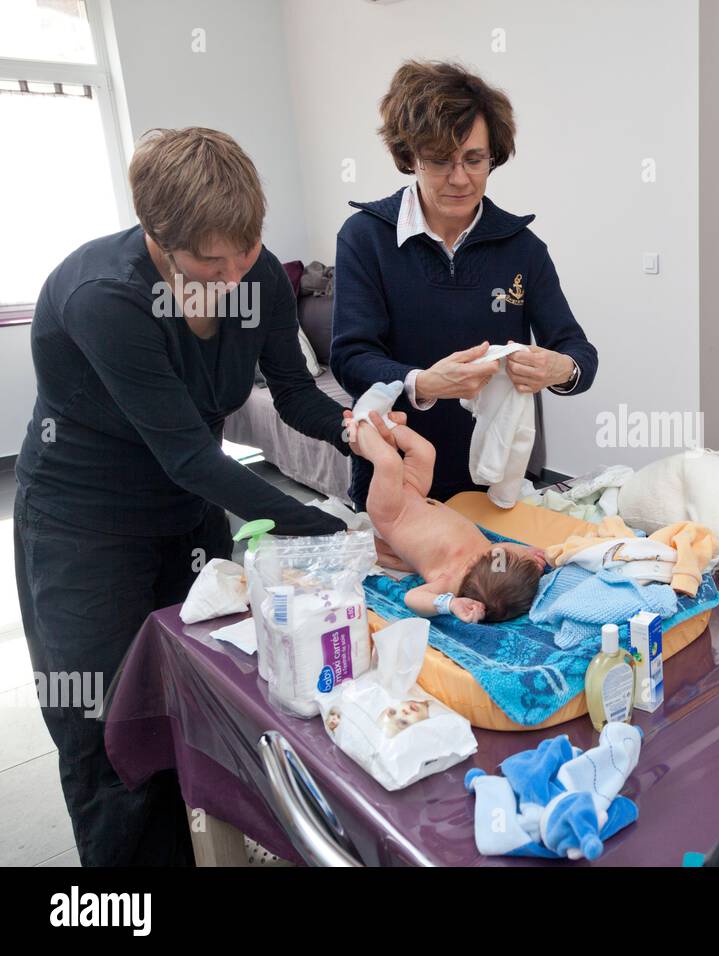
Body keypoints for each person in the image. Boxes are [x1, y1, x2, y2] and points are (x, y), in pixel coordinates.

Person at [14, 127, 370, 866]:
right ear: (157, 239)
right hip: (85, 525)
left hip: (187, 509)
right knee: (105, 724)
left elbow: (295, 393)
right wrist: (336, 532)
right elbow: (185, 453)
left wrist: (360, 433)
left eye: (246, 249)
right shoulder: (104, 298)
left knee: (207, 689)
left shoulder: (258, 275)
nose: (237, 271)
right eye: (212, 260)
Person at [332, 60, 598, 507]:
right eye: (439, 161)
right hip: (397, 475)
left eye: (474, 159)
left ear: (494, 157)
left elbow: (580, 355)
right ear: (409, 157)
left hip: (499, 481)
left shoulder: (522, 248)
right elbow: (351, 357)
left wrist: (560, 370)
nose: (460, 178)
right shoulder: (365, 238)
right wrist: (422, 382)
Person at [351, 411, 546, 623]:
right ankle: (386, 423)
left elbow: (412, 598)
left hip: (392, 513)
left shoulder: (450, 581)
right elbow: (511, 557)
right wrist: (531, 555)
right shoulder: (486, 554)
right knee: (425, 451)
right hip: (416, 493)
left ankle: (359, 424)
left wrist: (450, 604)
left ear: (498, 560)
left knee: (389, 462)